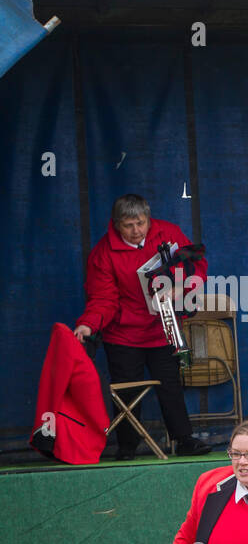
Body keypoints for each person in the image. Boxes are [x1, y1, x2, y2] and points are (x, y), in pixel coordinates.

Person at [73, 194, 211, 460]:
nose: (136, 230)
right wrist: (88, 325)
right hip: (124, 334)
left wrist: (181, 289)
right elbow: (103, 299)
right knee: (127, 389)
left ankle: (184, 440)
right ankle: (127, 446)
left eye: (140, 223)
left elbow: (196, 267)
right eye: (128, 225)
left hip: (163, 328)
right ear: (116, 225)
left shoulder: (169, 233)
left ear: (149, 219)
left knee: (170, 385)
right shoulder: (103, 253)